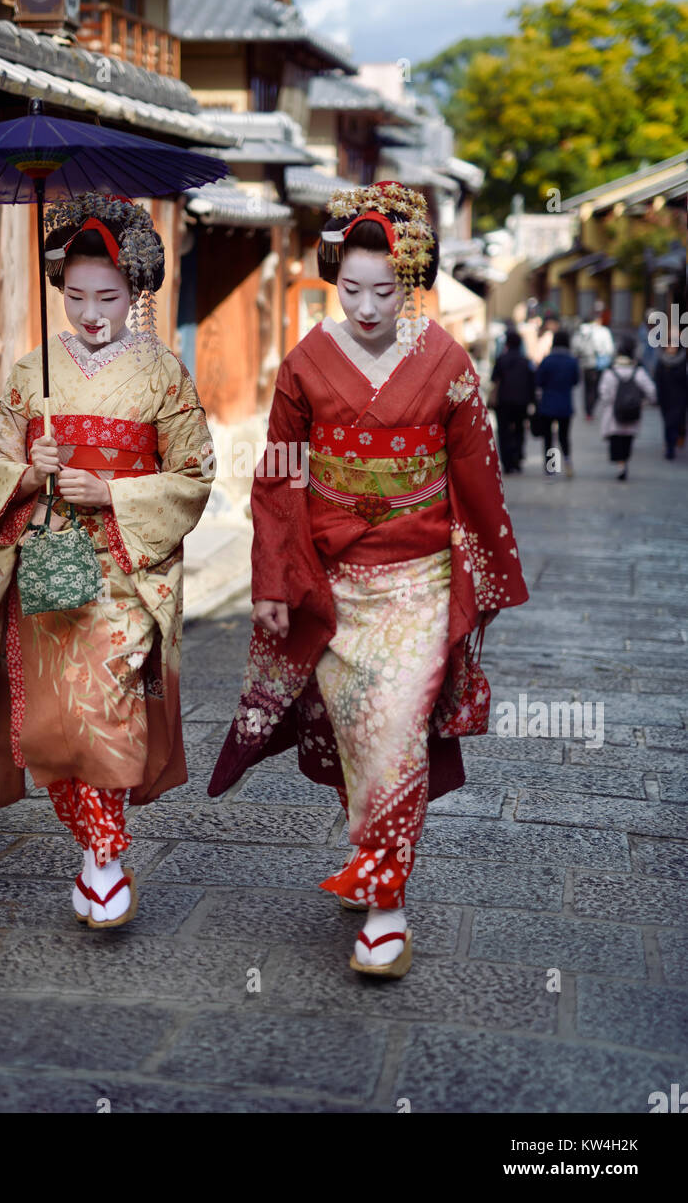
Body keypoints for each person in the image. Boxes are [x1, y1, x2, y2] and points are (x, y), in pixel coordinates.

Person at [207, 181, 529, 978]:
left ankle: (387, 906)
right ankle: (375, 849)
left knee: (393, 730)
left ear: (410, 284)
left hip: (419, 576)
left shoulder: (447, 363)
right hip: (334, 577)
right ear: (331, 276)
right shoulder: (306, 364)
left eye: (385, 289)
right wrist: (276, 580)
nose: (367, 305)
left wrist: (484, 571)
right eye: (350, 287)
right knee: (359, 734)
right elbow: (279, 477)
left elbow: (475, 472)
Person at [0, 193, 215, 928]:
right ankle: (97, 846)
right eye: (74, 296)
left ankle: (105, 858)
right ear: (57, 291)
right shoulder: (29, 370)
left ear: (138, 293)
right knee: (51, 726)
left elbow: (193, 473)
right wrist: (30, 473)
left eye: (109, 296)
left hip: (126, 568)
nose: (92, 313)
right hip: (50, 560)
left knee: (104, 706)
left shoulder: (164, 374)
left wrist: (115, 490)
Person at [597, 334, 657, 480]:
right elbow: (651, 390)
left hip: (614, 414)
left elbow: (603, 393)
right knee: (627, 442)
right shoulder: (639, 372)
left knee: (616, 442)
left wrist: (611, 402)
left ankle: (621, 465)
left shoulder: (610, 372)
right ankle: (623, 463)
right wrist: (644, 403)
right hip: (632, 413)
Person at [535, 329, 581, 476]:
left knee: (548, 437)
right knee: (564, 436)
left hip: (548, 403)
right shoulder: (572, 361)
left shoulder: (547, 360)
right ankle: (567, 460)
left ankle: (551, 467)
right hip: (565, 404)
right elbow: (575, 381)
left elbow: (539, 381)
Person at [491, 329, 536, 473]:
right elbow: (532, 383)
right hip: (521, 401)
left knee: (503, 431)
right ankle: (517, 458)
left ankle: (507, 462)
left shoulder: (501, 360)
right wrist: (533, 402)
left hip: (503, 401)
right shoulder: (526, 362)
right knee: (519, 429)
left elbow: (494, 380)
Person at [571, 304, 614, 418]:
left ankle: (588, 411)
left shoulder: (581, 330)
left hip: (585, 363)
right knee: (596, 388)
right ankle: (591, 407)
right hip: (598, 363)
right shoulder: (603, 331)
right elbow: (609, 349)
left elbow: (575, 347)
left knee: (587, 388)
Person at [653, 337, 688, 460]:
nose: (671, 348)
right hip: (665, 398)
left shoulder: (683, 362)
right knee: (668, 423)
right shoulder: (662, 361)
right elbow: (657, 380)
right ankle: (670, 445)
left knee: (675, 422)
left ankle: (672, 446)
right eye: (669, 345)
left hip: (680, 399)